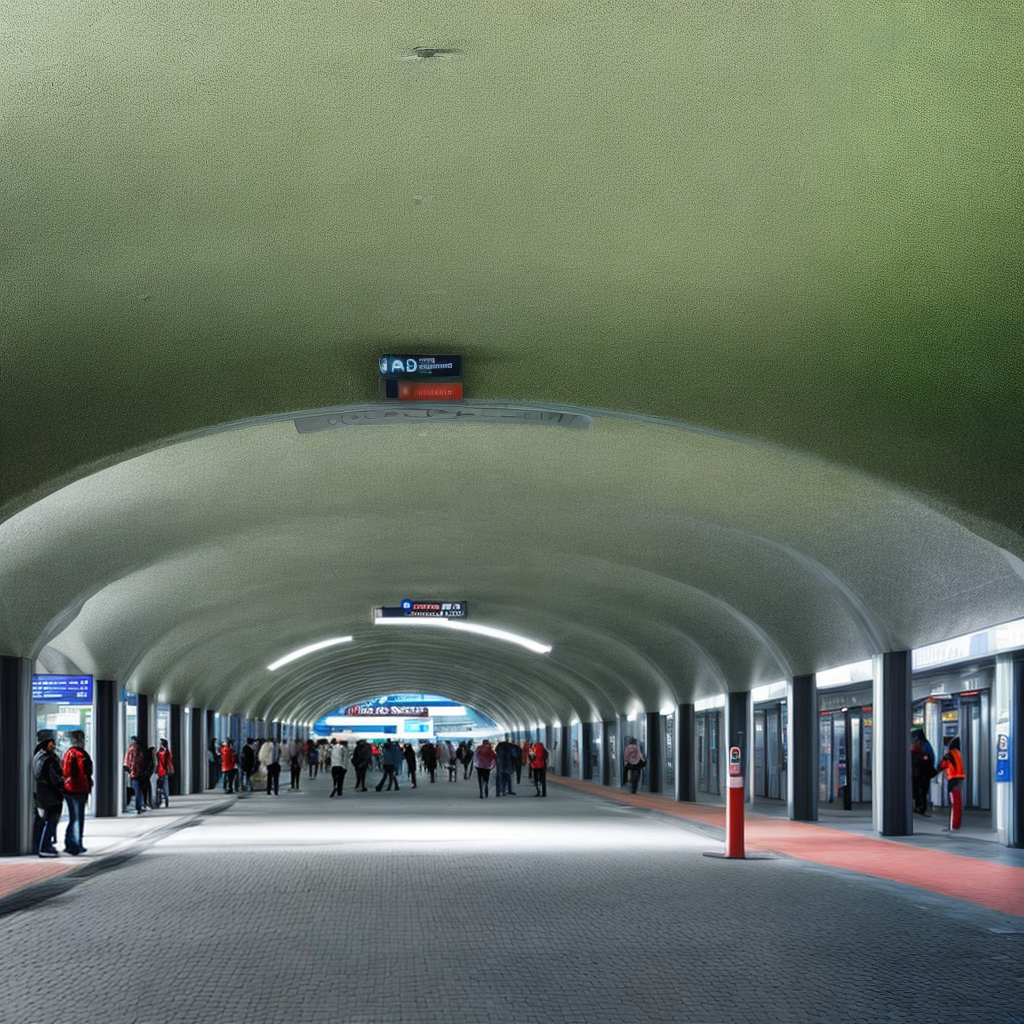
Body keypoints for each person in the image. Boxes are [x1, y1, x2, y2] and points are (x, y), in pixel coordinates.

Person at [32, 729, 65, 857]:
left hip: (42, 793)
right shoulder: (49, 759)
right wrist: (63, 782)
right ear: (46, 742)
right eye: (52, 742)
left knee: (43, 820)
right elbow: (54, 778)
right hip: (52, 795)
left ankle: (41, 846)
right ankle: (45, 847)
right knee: (52, 820)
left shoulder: (37, 755)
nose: (54, 744)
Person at [61, 729, 93, 855]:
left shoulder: (72, 753)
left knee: (75, 818)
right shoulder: (78, 754)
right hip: (77, 790)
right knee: (77, 818)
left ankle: (72, 843)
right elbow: (79, 773)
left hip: (74, 789)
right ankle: (75, 844)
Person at [937, 736, 966, 831]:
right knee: (958, 802)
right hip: (959, 778)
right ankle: (956, 824)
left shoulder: (949, 754)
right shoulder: (958, 753)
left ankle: (953, 825)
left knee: (954, 803)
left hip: (953, 778)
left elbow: (942, 765)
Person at [910, 728, 936, 816]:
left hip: (919, 775)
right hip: (922, 775)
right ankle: (921, 807)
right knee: (922, 792)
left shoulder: (919, 751)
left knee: (919, 792)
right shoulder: (926, 747)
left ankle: (920, 807)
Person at [124, 736, 147, 813]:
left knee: (137, 790)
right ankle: (139, 806)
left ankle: (138, 806)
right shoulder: (140, 750)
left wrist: (129, 770)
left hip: (134, 773)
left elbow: (127, 761)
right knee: (139, 790)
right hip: (140, 773)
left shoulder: (130, 750)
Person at [155, 737, 174, 808]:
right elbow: (169, 762)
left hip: (159, 772)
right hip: (165, 772)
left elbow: (156, 760)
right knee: (165, 786)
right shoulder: (168, 753)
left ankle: (158, 799)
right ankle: (166, 798)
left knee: (158, 786)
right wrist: (171, 770)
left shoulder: (159, 753)